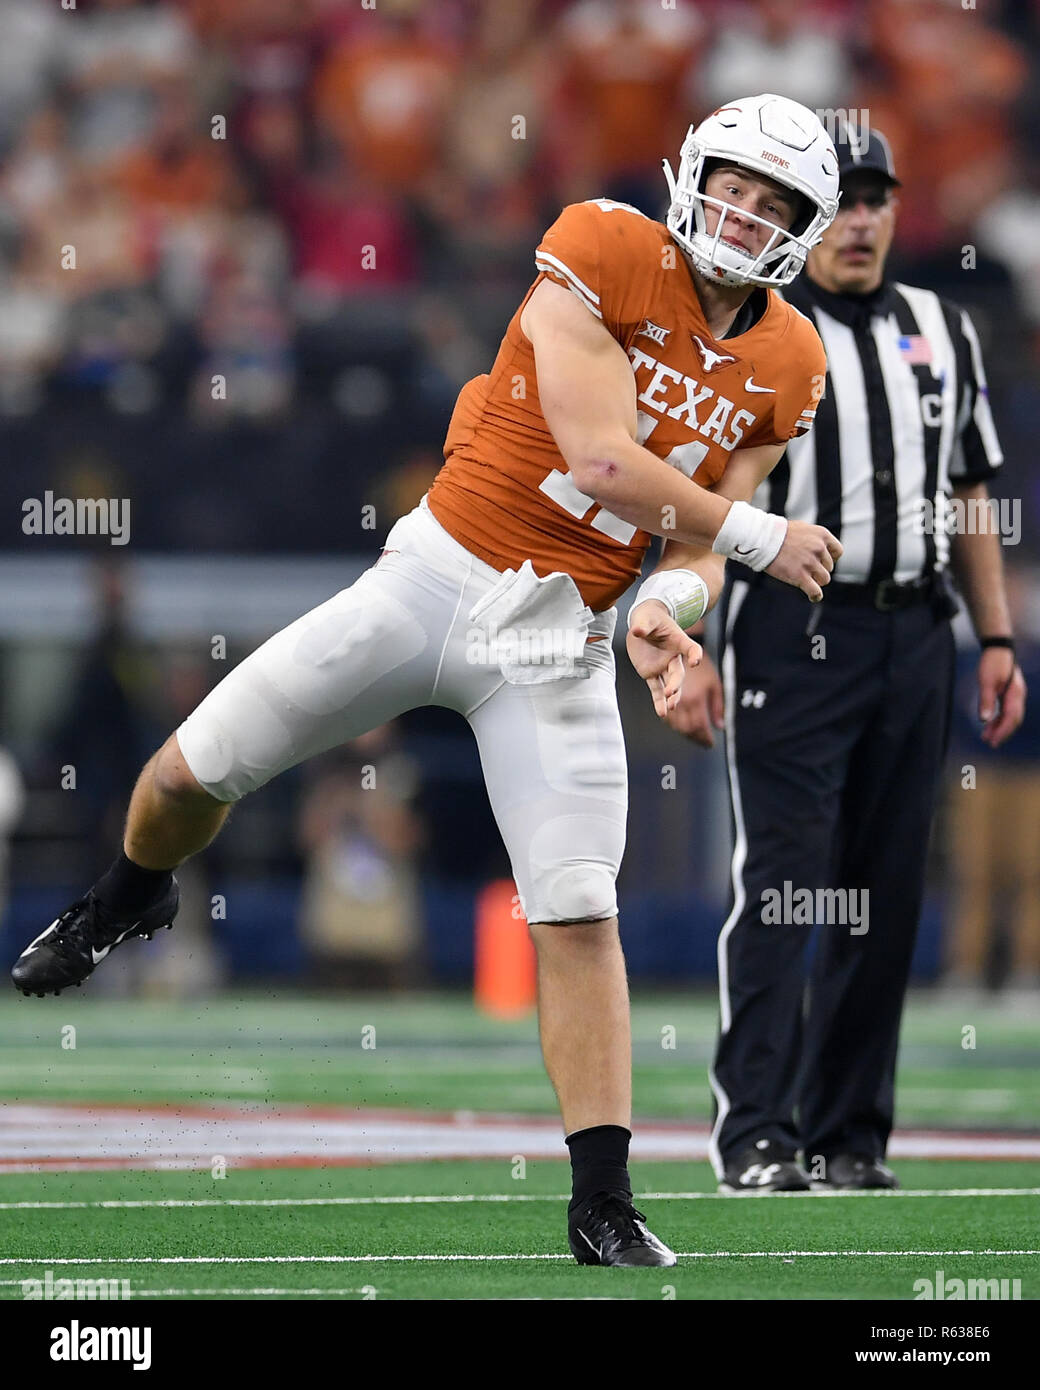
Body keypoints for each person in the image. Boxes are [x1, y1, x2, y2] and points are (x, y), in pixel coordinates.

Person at [12, 94, 842, 1264]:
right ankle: (126, 896)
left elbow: (699, 540)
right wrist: (763, 544)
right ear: (689, 174)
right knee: (184, 776)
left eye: (771, 205)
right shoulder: (604, 243)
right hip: (437, 578)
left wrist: (668, 611)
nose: (739, 214)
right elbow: (603, 457)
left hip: (562, 636)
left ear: (799, 230)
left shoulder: (789, 355)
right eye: (730, 185)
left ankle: (599, 1196)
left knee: (575, 909)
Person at [666, 123, 1026, 1193]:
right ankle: (757, 1133)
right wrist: (686, 639)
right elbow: (710, 505)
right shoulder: (757, 335)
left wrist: (992, 634)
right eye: (843, 200)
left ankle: (848, 1133)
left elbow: (968, 493)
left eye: (877, 199)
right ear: (808, 215)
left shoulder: (941, 328)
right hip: (793, 626)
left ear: (894, 210)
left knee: (885, 890)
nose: (861, 220)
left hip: (914, 631)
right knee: (783, 883)